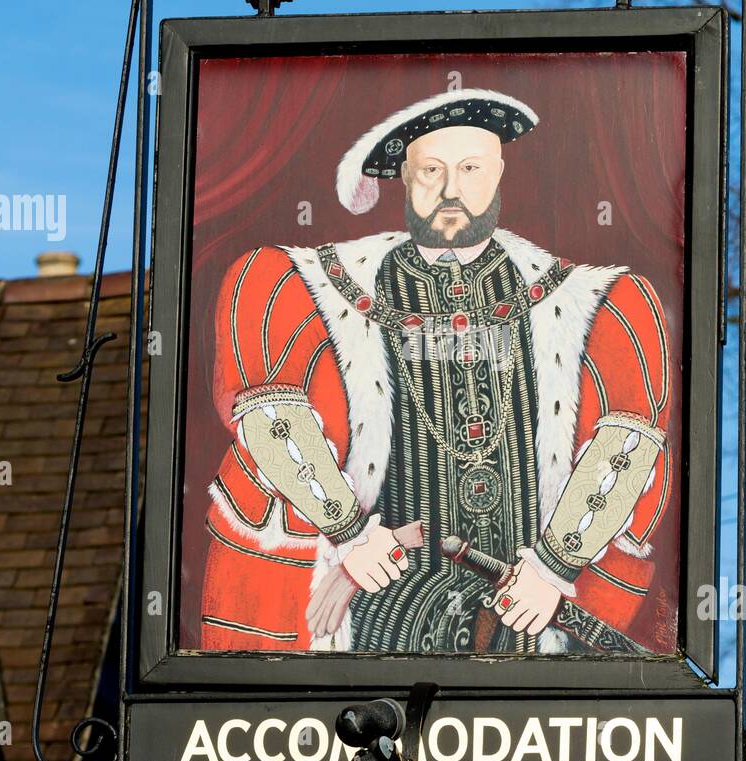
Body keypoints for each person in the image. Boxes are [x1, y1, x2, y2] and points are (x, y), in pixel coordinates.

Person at [200, 88, 671, 655]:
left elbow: (628, 444)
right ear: (402, 177)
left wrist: (553, 567)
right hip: (371, 607)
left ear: (498, 171)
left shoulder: (598, 300)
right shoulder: (299, 284)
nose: (452, 190)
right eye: (431, 170)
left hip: (528, 616)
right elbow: (271, 418)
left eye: (470, 168)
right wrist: (350, 535)